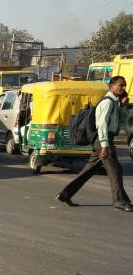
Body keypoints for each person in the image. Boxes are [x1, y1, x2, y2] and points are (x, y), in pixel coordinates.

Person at [56, 76, 133, 212]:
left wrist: (122, 105)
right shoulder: (107, 102)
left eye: (124, 85)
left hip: (104, 139)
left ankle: (65, 194)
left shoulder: (115, 103)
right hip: (102, 140)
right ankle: (120, 201)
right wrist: (104, 145)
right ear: (112, 86)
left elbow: (120, 121)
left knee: (89, 170)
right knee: (115, 170)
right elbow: (101, 125)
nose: (123, 88)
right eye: (120, 85)